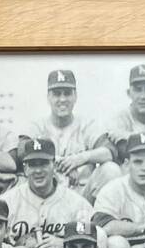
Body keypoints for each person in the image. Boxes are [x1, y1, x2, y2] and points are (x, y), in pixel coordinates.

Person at [1, 137, 104, 248]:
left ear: (54, 165)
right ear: (25, 169)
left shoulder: (75, 202)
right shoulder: (7, 201)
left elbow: (94, 231)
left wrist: (65, 242)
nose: (38, 171)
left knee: (100, 236)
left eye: (43, 164)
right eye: (32, 165)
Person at [20, 69, 121, 203]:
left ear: (75, 96)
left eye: (67, 94)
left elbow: (110, 152)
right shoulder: (37, 126)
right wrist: (59, 163)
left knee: (111, 170)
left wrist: (81, 158)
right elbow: (21, 152)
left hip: (82, 195)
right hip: (48, 196)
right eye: (57, 94)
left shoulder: (87, 124)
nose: (62, 99)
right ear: (48, 97)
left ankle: (99, 219)